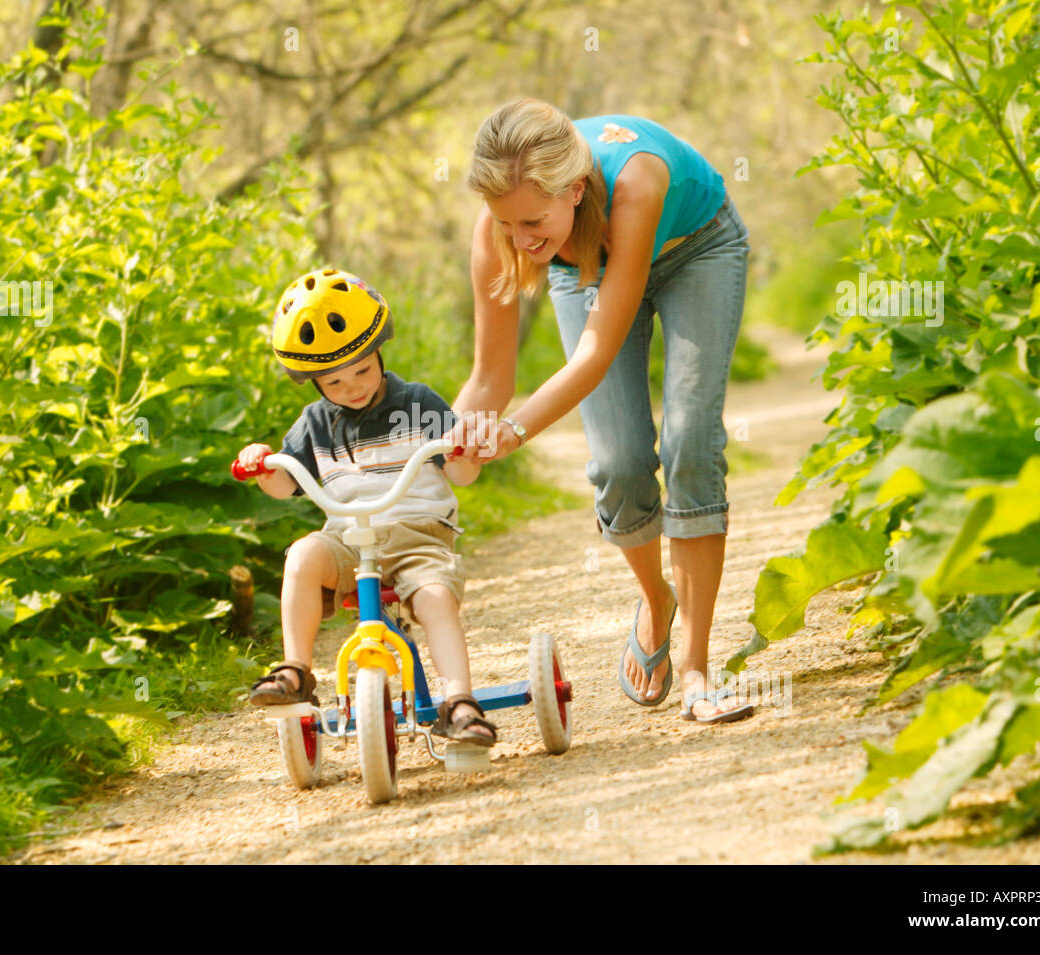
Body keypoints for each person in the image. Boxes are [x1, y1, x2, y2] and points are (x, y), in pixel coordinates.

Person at [450, 98, 754, 724]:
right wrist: (454, 446)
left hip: (696, 248)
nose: (520, 240)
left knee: (690, 440)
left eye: (533, 222)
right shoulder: (506, 230)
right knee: (616, 461)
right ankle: (655, 598)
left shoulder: (635, 183)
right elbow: (488, 377)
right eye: (507, 225)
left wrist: (513, 434)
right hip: (585, 260)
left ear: (574, 190)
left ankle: (696, 671)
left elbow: (593, 357)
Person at [237, 267, 497, 745]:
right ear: (313, 383)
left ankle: (460, 701)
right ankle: (296, 670)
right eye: (334, 382)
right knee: (301, 554)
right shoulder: (314, 423)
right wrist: (262, 465)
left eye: (362, 369)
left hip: (419, 535)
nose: (352, 387)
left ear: (379, 352)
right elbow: (285, 483)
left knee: (435, 598)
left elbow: (459, 473)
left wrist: (465, 451)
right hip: (349, 543)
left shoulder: (417, 402)